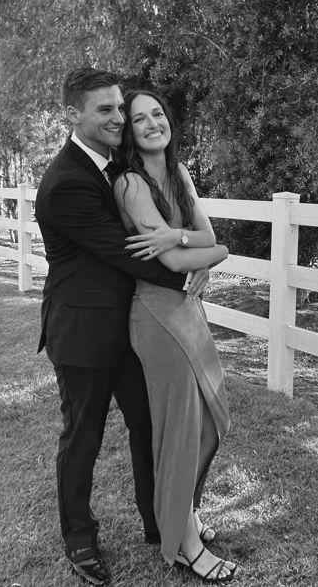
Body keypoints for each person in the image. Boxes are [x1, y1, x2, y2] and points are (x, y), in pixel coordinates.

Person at [35, 68, 188, 586]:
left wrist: (185, 247)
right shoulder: (66, 182)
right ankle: (79, 538)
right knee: (84, 436)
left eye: (120, 107)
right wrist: (190, 270)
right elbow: (127, 252)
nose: (119, 118)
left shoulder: (116, 166)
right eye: (105, 109)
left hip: (130, 330)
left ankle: (157, 522)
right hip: (82, 334)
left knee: (147, 427)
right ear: (72, 114)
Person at [113, 88, 237, 583]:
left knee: (210, 422)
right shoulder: (130, 183)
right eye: (139, 119)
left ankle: (186, 515)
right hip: (155, 315)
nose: (151, 124)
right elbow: (175, 261)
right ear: (129, 132)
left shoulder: (180, 173)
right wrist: (202, 250)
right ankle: (185, 544)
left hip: (188, 308)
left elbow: (207, 238)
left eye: (157, 114)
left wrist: (183, 237)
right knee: (180, 429)